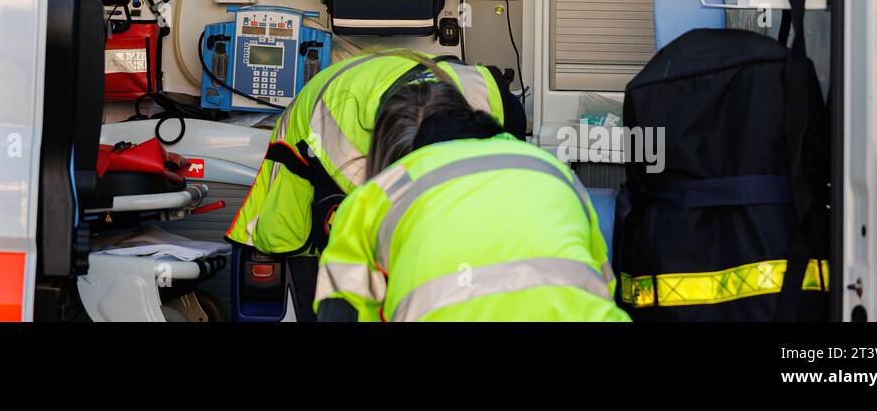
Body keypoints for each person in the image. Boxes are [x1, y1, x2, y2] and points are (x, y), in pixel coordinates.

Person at [226, 50, 525, 320]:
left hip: (398, 85)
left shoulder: (493, 107)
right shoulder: (344, 158)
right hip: (322, 112)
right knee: (297, 241)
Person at [314, 80, 628, 322]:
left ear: (390, 151)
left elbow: (341, 313)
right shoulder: (552, 171)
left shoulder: (372, 200)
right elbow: (602, 284)